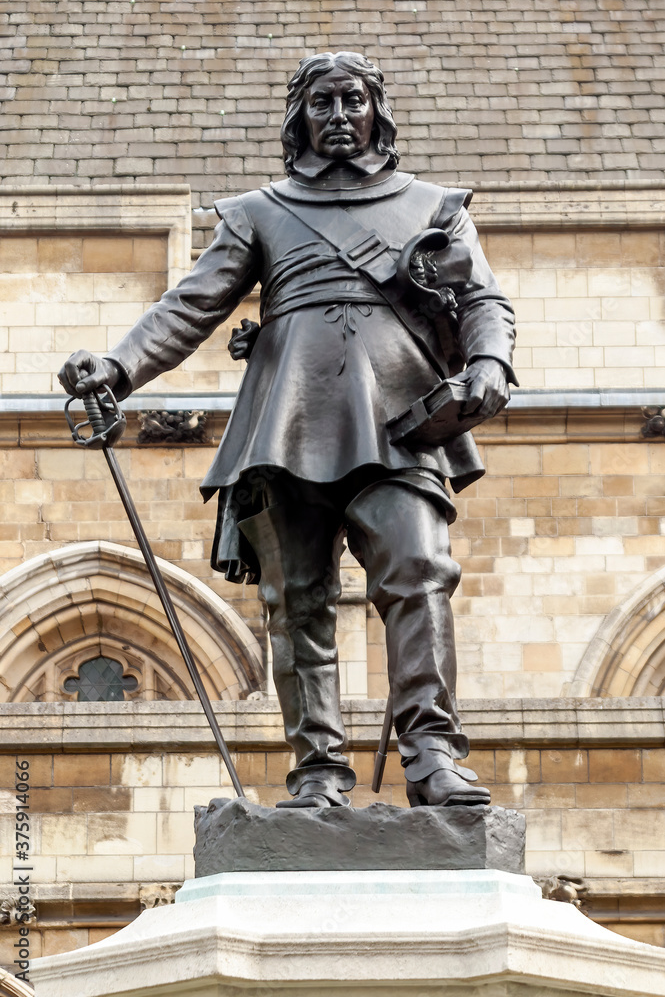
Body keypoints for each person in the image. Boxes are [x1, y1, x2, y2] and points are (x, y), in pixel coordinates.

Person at [59, 51, 517, 810]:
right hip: (288, 419)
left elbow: (481, 302)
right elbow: (190, 305)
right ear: (298, 119)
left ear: (377, 111)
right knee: (294, 597)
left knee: (418, 568)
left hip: (400, 416)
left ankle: (432, 753)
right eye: (322, 104)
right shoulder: (260, 211)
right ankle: (316, 771)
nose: (338, 116)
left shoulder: (436, 206)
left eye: (352, 100)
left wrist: (491, 362)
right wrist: (118, 366)